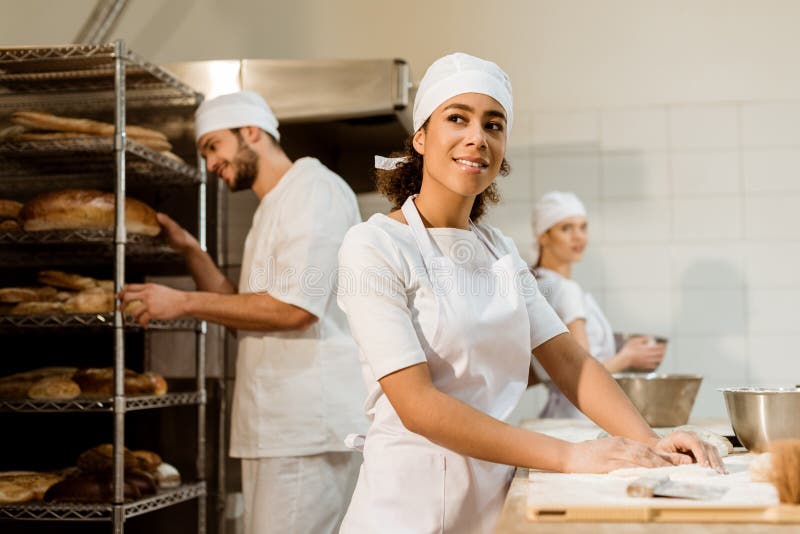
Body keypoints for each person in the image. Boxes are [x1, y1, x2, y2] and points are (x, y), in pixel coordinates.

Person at [335, 53, 723, 534]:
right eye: (457, 118)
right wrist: (571, 456)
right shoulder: (373, 245)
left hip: (496, 496)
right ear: (421, 137)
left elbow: (568, 360)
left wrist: (650, 443)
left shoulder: (498, 250)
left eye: (493, 125)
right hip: (409, 507)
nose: (477, 137)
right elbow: (418, 405)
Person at [118, 91, 366, 534]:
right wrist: (192, 252)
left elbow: (293, 310)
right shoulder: (274, 205)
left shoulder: (313, 191)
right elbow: (246, 312)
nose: (211, 163)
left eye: (214, 145)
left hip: (306, 426)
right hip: (278, 427)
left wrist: (182, 302)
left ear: (251, 132)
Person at [531, 191, 667, 418]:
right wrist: (627, 357)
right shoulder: (566, 290)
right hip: (579, 417)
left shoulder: (538, 286)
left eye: (583, 227)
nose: (579, 237)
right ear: (543, 237)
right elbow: (579, 372)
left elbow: (544, 370)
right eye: (566, 228)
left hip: (558, 414)